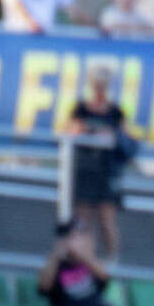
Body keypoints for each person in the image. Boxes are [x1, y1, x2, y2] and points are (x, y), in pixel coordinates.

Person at [65, 65, 129, 261]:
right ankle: (84, 259)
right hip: (85, 169)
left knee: (107, 218)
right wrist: (85, 130)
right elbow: (70, 131)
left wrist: (111, 135)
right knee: (83, 219)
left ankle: (112, 261)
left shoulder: (116, 112)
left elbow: (124, 137)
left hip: (106, 171)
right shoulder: (81, 109)